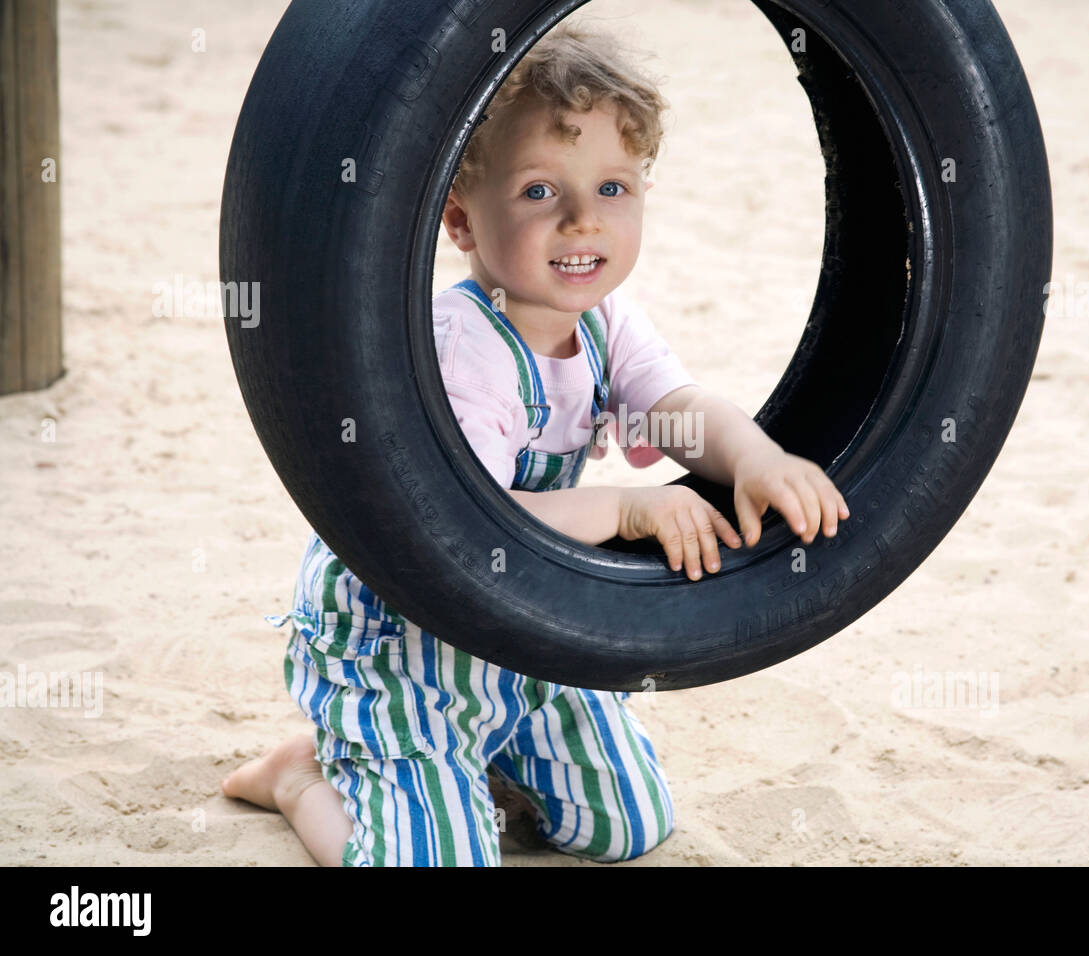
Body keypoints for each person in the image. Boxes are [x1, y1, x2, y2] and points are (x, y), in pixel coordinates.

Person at [221, 20, 849, 866]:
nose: (584, 221)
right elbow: (467, 531)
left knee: (628, 825)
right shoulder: (462, 346)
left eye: (615, 188)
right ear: (460, 219)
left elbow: (674, 409)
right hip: (404, 650)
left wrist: (756, 458)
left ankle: (467, 769)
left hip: (525, 636)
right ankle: (306, 780)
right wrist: (628, 506)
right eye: (541, 192)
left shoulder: (602, 323)